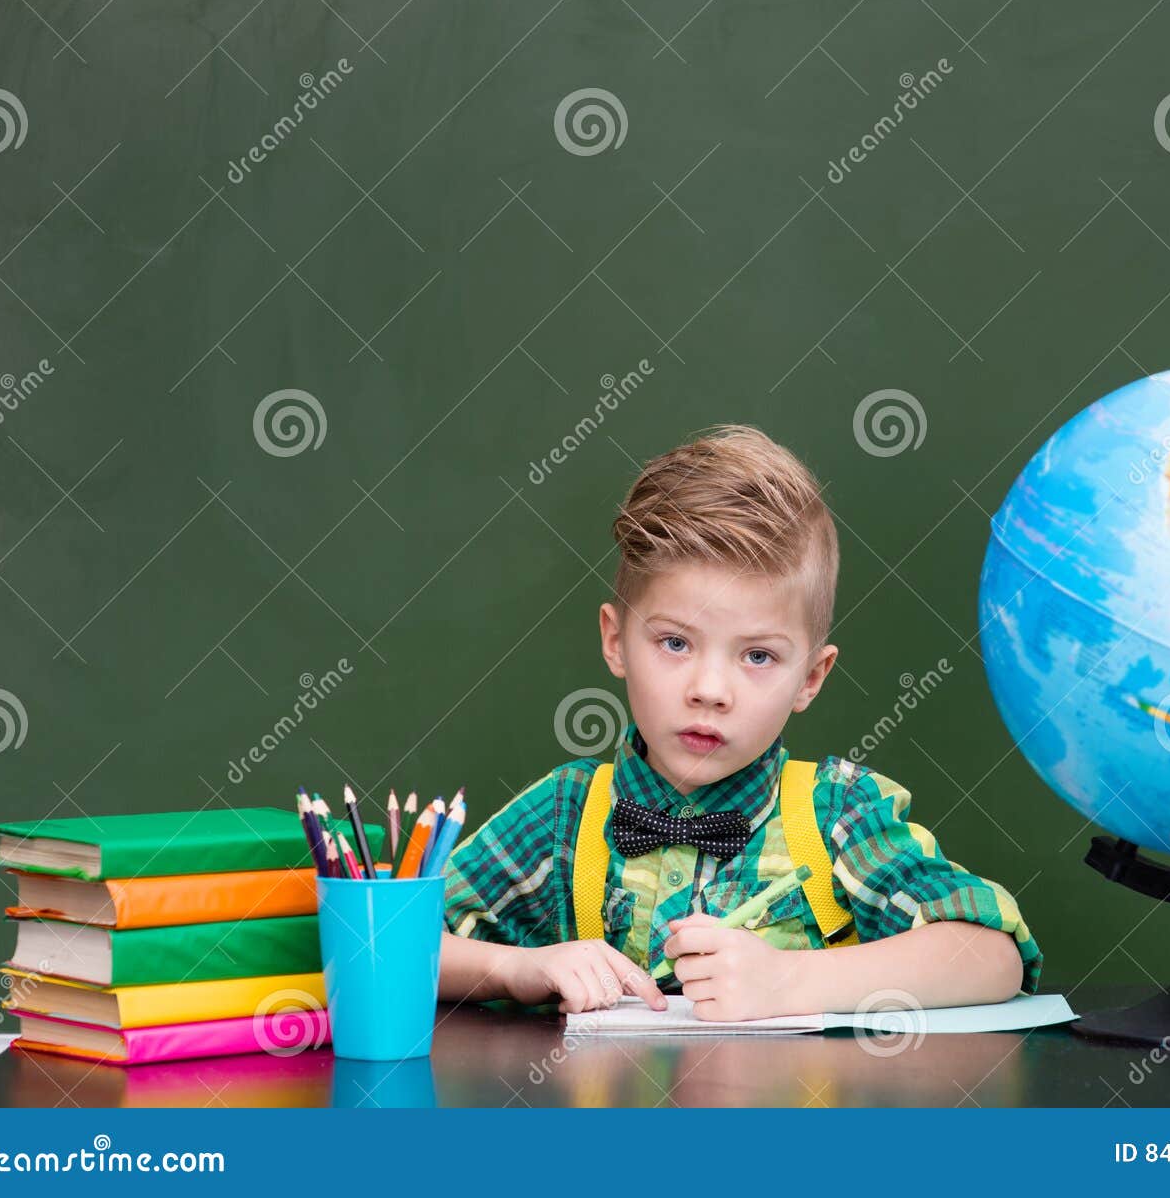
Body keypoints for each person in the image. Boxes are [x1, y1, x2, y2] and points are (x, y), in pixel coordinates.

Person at [439, 424, 1041, 1020]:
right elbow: (377, 943)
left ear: (811, 676)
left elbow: (992, 953)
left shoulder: (838, 815)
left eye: (758, 656)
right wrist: (520, 970)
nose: (709, 690)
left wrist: (789, 981)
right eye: (675, 643)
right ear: (615, 640)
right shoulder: (563, 816)